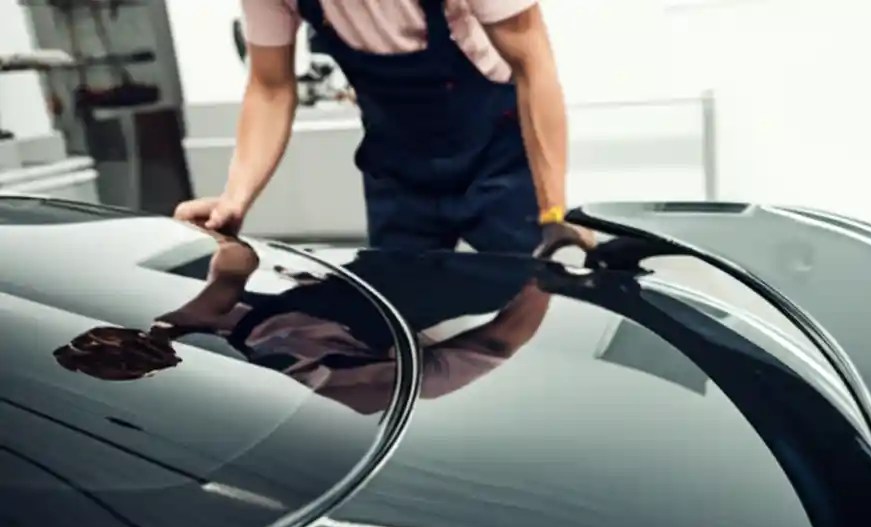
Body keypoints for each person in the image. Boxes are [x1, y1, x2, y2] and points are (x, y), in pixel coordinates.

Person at [174, 0, 591, 257]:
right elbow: (269, 86)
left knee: (539, 311)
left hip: (496, 163)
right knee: (394, 326)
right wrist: (235, 199)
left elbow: (533, 63)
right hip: (399, 172)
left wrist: (553, 210)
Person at [54, 232, 554, 414]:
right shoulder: (340, 389)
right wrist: (552, 275)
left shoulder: (183, 332)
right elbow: (492, 344)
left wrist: (220, 235)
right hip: (393, 304)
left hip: (340, 278)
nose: (111, 341)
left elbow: (231, 271)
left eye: (105, 340)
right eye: (107, 354)